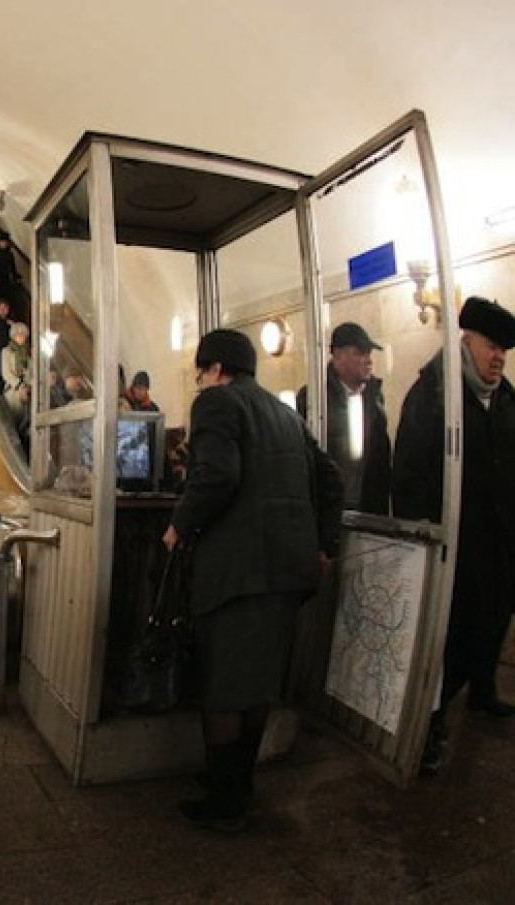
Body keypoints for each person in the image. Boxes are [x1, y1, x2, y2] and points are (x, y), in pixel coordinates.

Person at [162, 329, 342, 833]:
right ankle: (238, 783)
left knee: (223, 686)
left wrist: (179, 525)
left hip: (238, 574)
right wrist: (324, 545)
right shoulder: (286, 414)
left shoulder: (217, 403)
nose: (200, 382)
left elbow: (217, 476)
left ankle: (225, 801)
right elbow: (330, 478)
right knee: (257, 684)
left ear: (216, 369)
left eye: (201, 373)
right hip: (287, 573)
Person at [393, 297, 515, 775]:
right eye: (492, 346)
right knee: (451, 641)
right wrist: (420, 539)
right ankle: (431, 720)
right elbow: (409, 474)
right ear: (466, 340)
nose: (499, 357)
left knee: (492, 623)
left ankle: (480, 692)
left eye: (504, 350)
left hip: (499, 544)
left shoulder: (505, 399)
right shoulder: (435, 394)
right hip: (454, 548)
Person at [295, 322, 391, 515]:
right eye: (360, 353)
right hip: (332, 509)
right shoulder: (314, 398)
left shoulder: (373, 396)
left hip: (370, 508)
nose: (368, 360)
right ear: (338, 356)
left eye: (369, 354)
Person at [0, 321, 31, 418]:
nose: (21, 337)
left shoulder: (29, 352)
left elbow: (31, 370)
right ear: (13, 337)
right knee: (13, 415)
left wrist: (29, 384)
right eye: (18, 335)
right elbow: (6, 373)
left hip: (28, 389)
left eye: (23, 335)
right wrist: (19, 385)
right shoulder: (6, 351)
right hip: (13, 389)